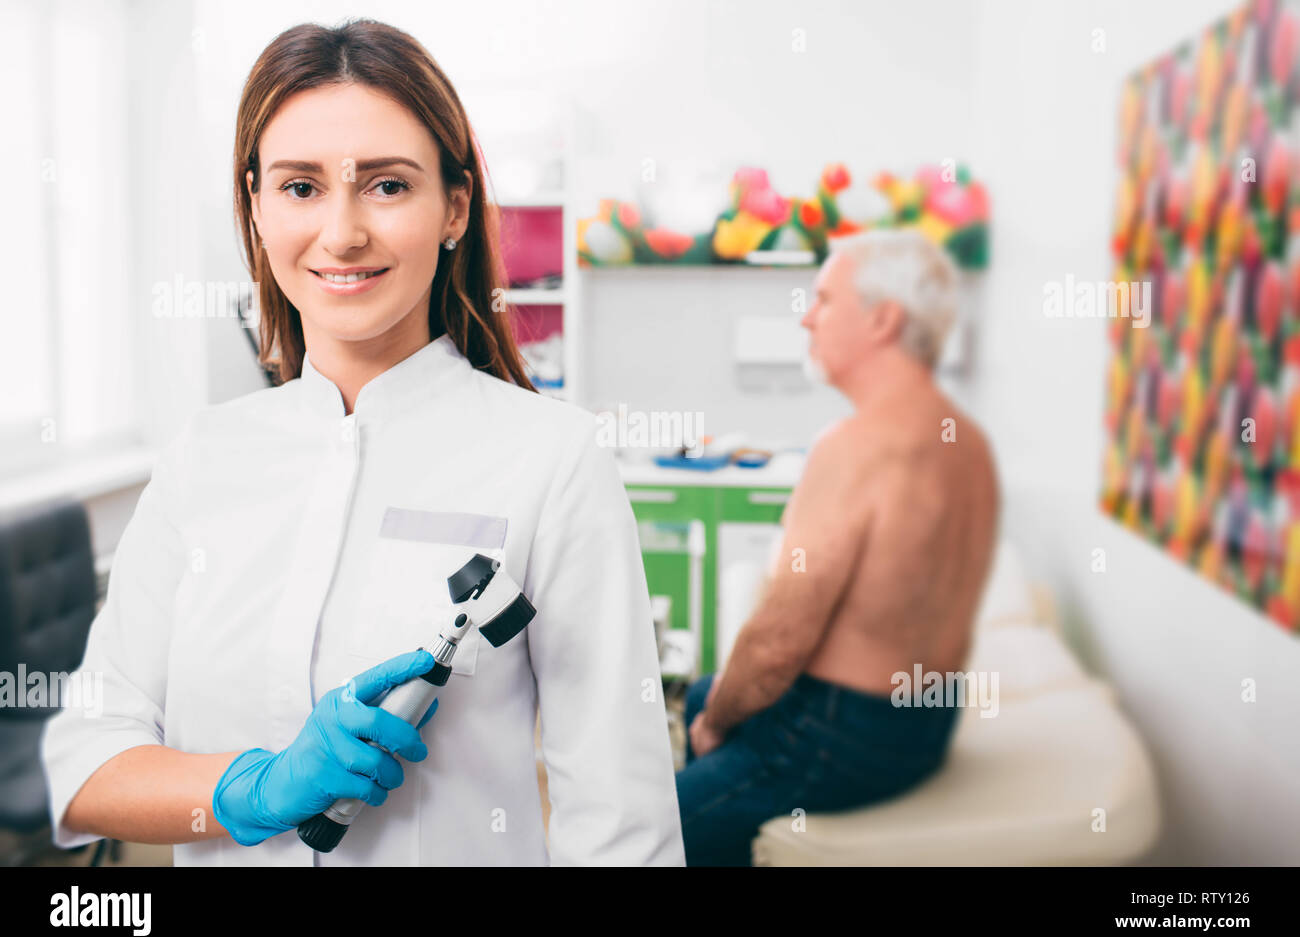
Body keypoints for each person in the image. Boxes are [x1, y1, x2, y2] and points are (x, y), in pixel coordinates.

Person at [41, 19, 684, 866]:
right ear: (257, 212)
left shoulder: (553, 460)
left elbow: (621, 827)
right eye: (300, 187)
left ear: (455, 208)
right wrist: (253, 789)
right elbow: (84, 762)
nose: (342, 233)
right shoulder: (204, 459)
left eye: (386, 185)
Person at [675, 229, 999, 866]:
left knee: (659, 824)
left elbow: (776, 643)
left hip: (839, 734)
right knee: (700, 689)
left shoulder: (855, 446)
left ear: (882, 320)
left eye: (822, 300)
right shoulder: (967, 441)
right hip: (925, 723)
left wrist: (715, 724)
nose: (805, 315)